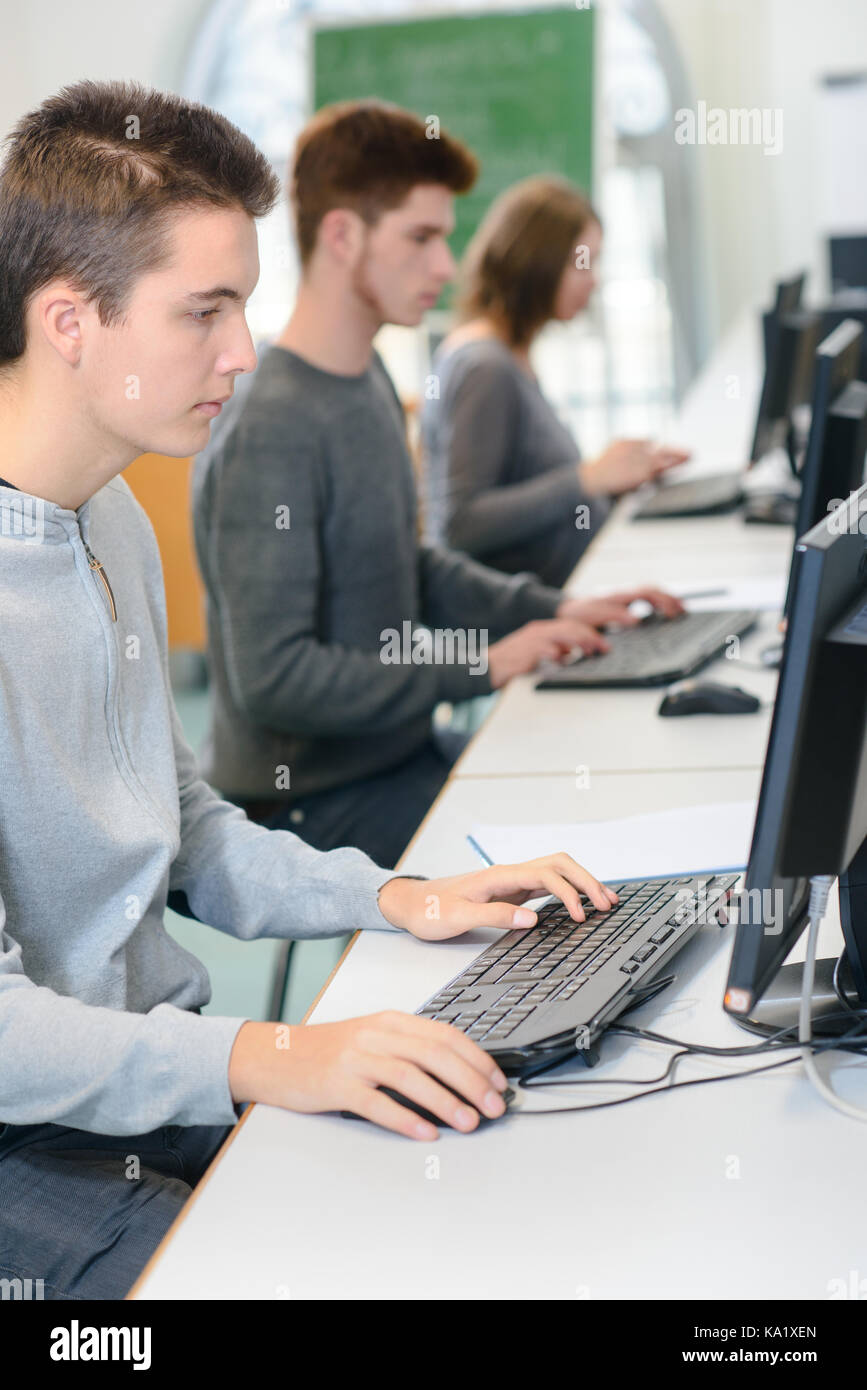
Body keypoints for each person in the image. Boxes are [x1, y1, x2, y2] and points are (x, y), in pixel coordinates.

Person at [0, 79, 622, 1301]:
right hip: (28, 1132)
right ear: (69, 320)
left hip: (157, 1068)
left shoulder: (113, 520)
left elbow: (194, 829)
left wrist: (401, 896)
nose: (242, 351)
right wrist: (277, 1054)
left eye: (243, 305)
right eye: (204, 311)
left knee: (455, 1188)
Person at [193, 102, 683, 871]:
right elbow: (275, 680)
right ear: (342, 236)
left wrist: (551, 610)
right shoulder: (272, 424)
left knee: (606, 795)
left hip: (398, 754)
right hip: (308, 801)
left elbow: (408, 566)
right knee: (576, 864)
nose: (447, 267)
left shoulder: (365, 381)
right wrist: (480, 666)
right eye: (420, 238)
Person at [421, 174, 691, 587]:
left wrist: (616, 477)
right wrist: (587, 478)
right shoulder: (485, 368)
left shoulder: (510, 354)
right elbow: (460, 525)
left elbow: (530, 490)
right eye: (581, 262)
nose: (593, 279)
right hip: (533, 612)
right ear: (535, 261)